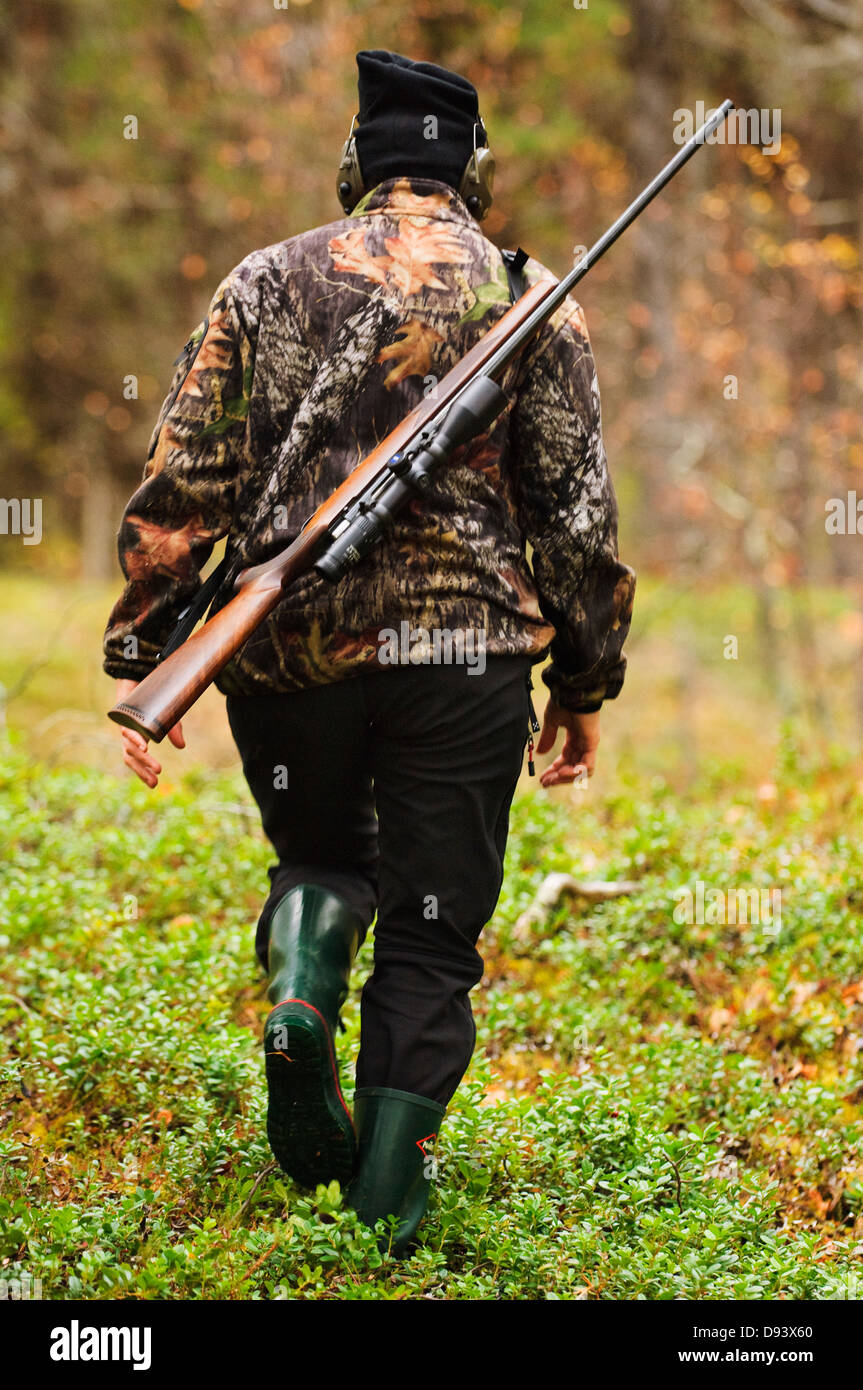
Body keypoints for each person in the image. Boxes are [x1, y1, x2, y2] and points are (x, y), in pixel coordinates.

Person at [103, 49, 635, 1256]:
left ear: (358, 164)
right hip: (467, 663)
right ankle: (387, 1207)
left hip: (288, 661)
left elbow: (184, 477)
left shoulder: (262, 278)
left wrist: (148, 646)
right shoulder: (532, 296)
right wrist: (583, 681)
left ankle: (300, 994)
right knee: (434, 926)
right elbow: (576, 519)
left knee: (325, 855)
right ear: (472, 172)